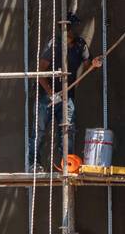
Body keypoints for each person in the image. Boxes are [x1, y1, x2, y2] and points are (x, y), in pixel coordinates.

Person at [32, 12, 102, 172]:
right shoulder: (54, 44)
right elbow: (40, 70)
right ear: (66, 29)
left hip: (66, 96)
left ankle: (67, 164)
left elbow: (87, 64)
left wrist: (93, 64)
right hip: (46, 97)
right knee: (40, 131)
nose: (77, 30)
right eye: (73, 27)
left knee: (68, 130)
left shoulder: (80, 45)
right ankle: (33, 164)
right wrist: (50, 93)